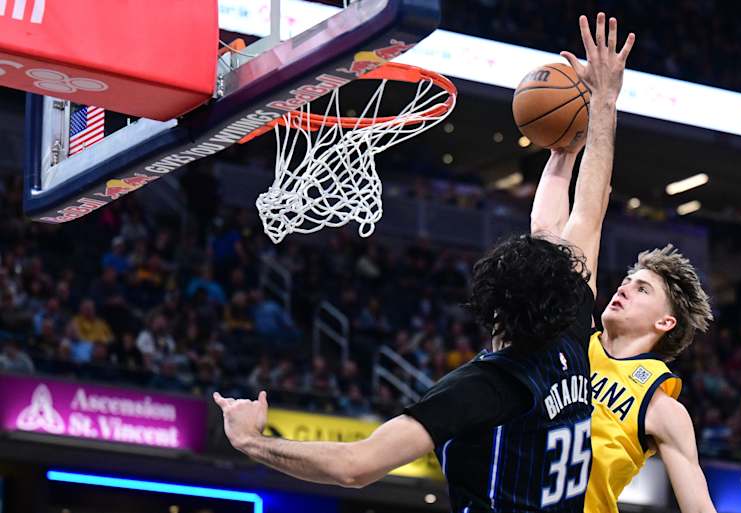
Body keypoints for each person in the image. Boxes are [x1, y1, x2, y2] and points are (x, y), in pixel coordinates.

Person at [213, 13, 632, 512]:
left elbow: (356, 466)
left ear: (492, 308)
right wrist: (597, 111)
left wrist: (249, 441)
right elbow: (585, 212)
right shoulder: (572, 337)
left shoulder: (489, 386)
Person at [530, 16, 717, 513]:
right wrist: (562, 155)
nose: (624, 289)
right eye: (628, 280)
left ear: (665, 321)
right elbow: (549, 240)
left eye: (642, 289)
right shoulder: (573, 337)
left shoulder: (662, 407)